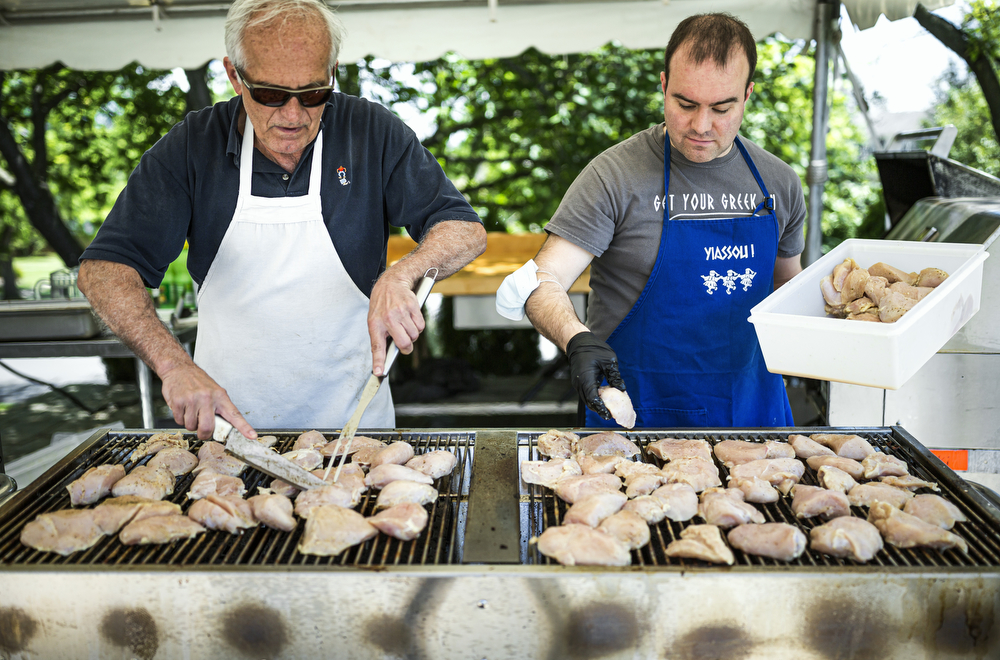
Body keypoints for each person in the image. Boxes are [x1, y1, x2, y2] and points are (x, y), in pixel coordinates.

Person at [78, 0, 486, 439]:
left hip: (356, 432)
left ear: (331, 73)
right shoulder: (192, 147)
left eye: (313, 94)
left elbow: (464, 229)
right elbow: (104, 270)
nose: (294, 116)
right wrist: (174, 365)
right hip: (231, 434)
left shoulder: (370, 132)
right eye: (270, 94)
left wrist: (402, 274)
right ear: (235, 75)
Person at [497, 12, 804, 428]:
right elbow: (538, 281)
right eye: (685, 103)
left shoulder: (778, 182)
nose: (701, 125)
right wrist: (576, 340)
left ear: (747, 95)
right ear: (663, 86)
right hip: (637, 416)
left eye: (721, 107)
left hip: (752, 413)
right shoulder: (614, 176)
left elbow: (789, 288)